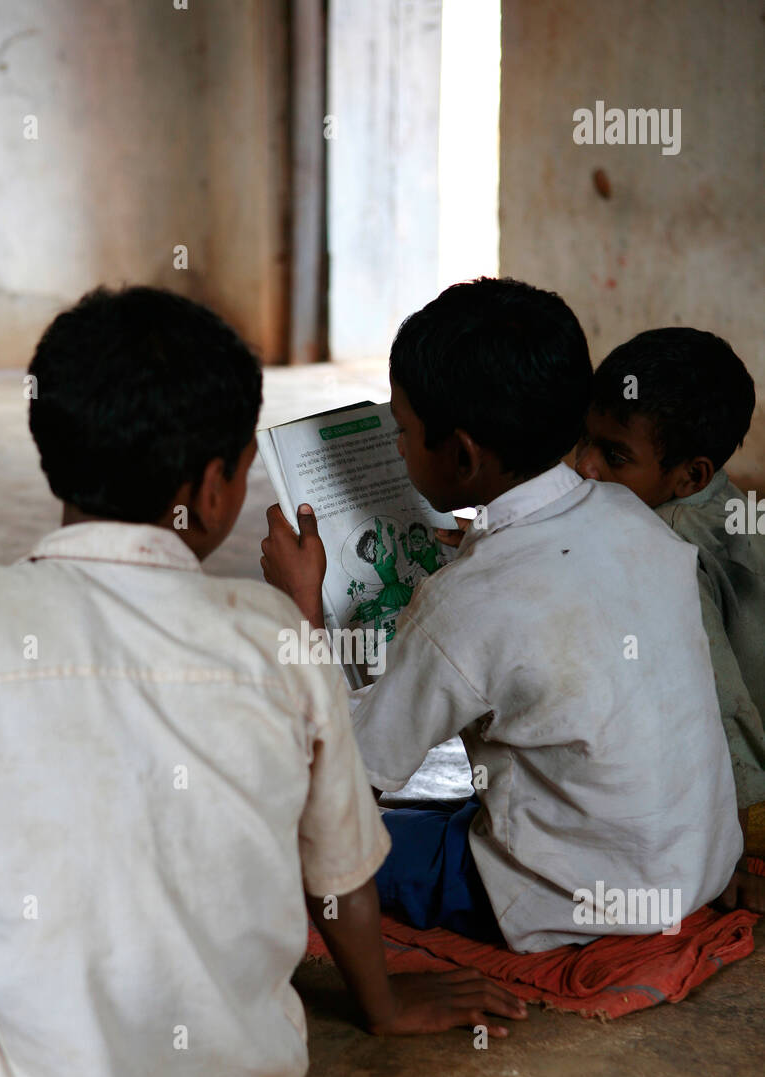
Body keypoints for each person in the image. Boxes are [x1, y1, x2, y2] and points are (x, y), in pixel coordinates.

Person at [0, 287, 525, 1077]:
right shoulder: (277, 633)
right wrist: (384, 1007)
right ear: (219, 485)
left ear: (49, 451)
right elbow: (343, 876)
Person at [261, 278, 741, 953]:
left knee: (274, 828)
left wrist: (303, 608)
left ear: (461, 454)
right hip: (695, 862)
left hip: (576, 900)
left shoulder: (466, 603)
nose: (394, 445)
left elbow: (349, 775)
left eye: (400, 431)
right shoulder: (634, 516)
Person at [574, 327, 765, 911]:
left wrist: (727, 841)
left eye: (614, 455)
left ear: (690, 476)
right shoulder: (730, 504)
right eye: (584, 439)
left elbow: (718, 699)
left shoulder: (664, 552)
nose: (584, 466)